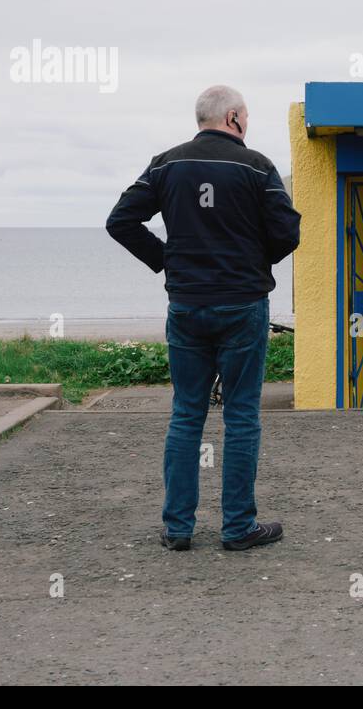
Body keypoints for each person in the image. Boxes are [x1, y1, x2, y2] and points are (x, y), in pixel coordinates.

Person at [106, 85, 301, 551]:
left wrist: (167, 259)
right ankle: (238, 528)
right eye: (247, 116)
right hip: (242, 304)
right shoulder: (257, 166)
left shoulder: (165, 164)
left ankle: (177, 529)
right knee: (241, 416)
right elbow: (289, 231)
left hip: (188, 304)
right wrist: (255, 262)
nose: (248, 123)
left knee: (186, 414)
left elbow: (121, 221)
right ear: (232, 117)